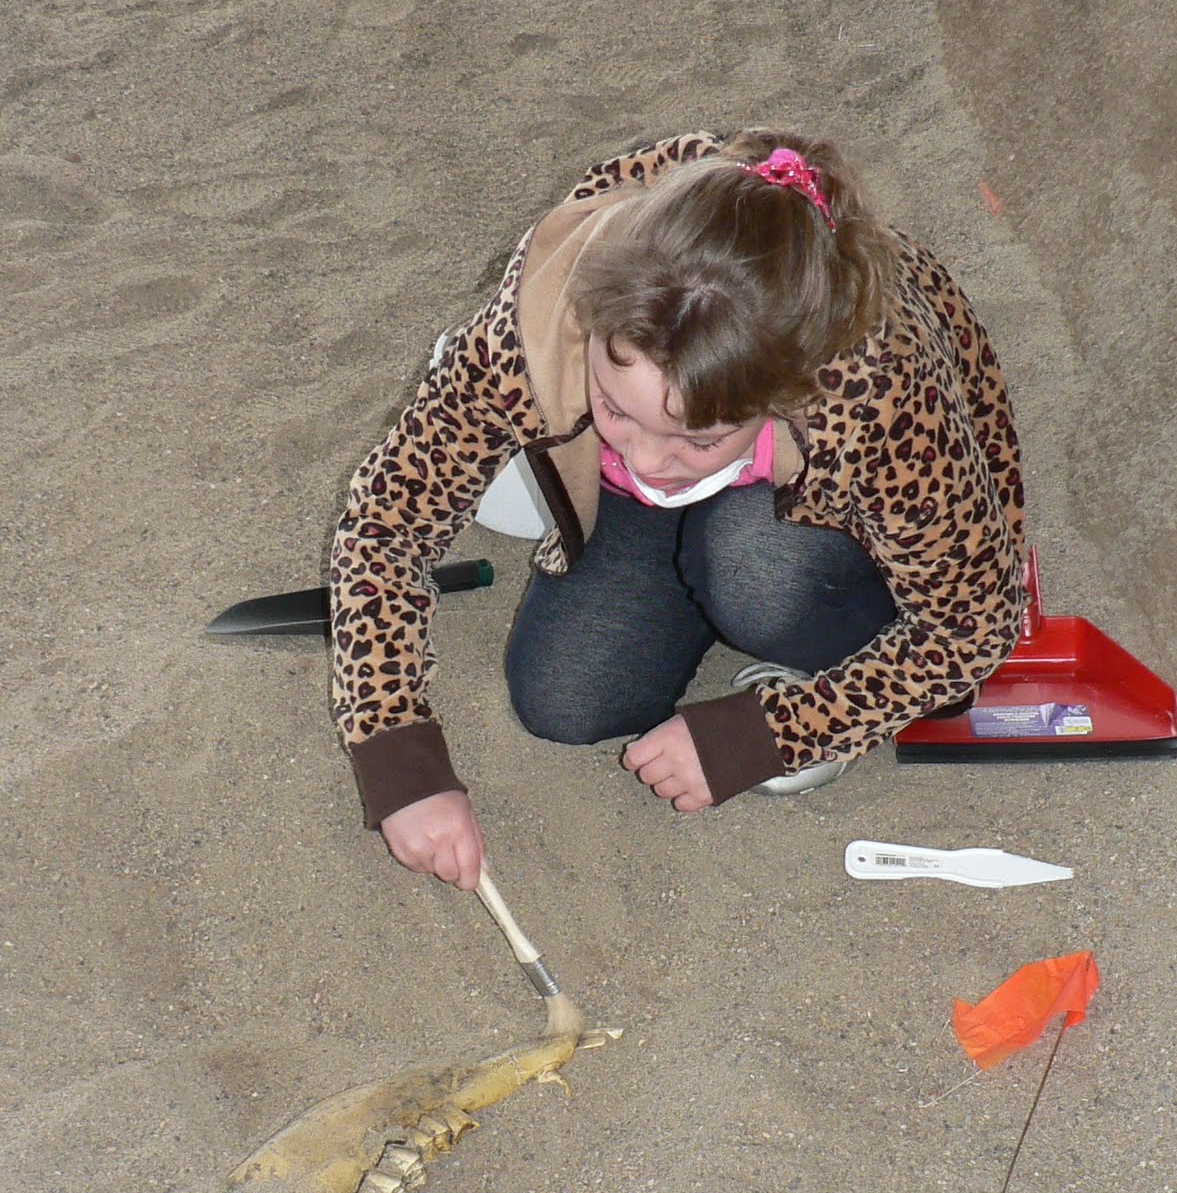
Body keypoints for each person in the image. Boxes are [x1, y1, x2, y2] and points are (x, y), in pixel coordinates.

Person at [330, 130, 1025, 890]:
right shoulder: (535, 325)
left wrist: (772, 734)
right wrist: (400, 759)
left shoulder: (872, 382)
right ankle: (702, 534)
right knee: (566, 700)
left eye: (697, 441)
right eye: (615, 412)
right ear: (591, 331)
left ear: (784, 396)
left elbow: (975, 623)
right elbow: (384, 521)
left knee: (752, 574)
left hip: (822, 504)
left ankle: (756, 574)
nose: (649, 462)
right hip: (686, 484)